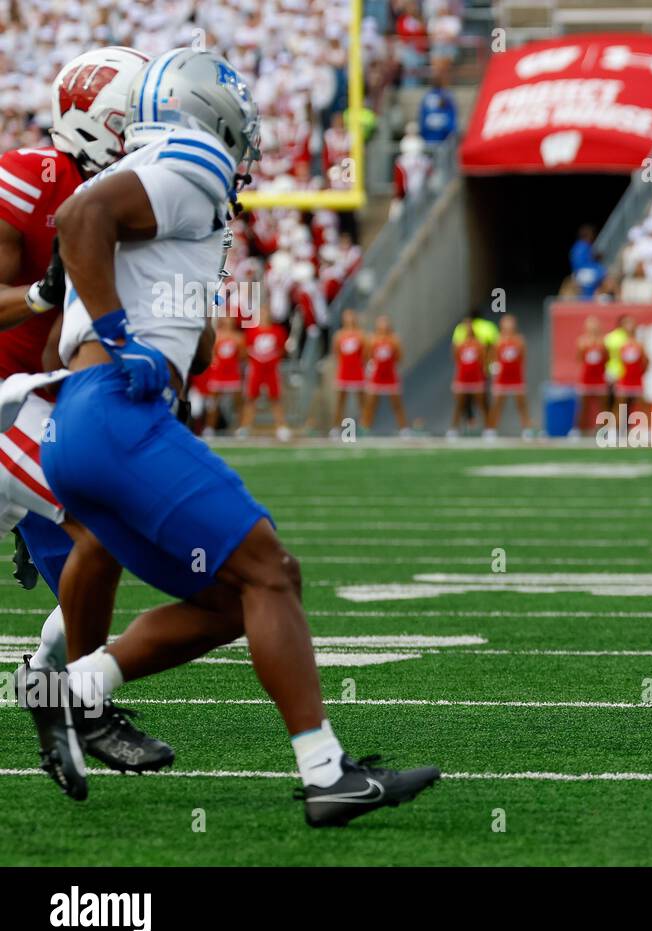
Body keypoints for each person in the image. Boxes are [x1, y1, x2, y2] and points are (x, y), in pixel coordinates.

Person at [22, 47, 440, 823]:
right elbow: (80, 218)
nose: (244, 137)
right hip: (117, 414)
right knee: (271, 572)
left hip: (75, 425)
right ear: (203, 108)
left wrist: (155, 324)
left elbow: (73, 345)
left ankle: (70, 688)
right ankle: (326, 775)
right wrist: (124, 337)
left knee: (228, 599)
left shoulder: (150, 192)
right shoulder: (191, 154)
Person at [0, 47, 169, 771]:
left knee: (104, 542)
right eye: (136, 119)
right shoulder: (29, 180)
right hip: (8, 409)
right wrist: (41, 294)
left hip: (47, 407)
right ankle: (76, 700)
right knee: (103, 532)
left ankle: (53, 684)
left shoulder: (126, 194)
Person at [238, 311, 291, 442]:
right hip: (256, 369)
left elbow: (282, 349)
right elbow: (246, 349)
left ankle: (281, 427)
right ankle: (245, 427)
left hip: (271, 369)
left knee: (275, 398)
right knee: (251, 398)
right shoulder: (251, 331)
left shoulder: (277, 331)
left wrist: (270, 358)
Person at [362, 315, 409, 435]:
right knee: (371, 404)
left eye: (385, 323)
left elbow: (399, 357)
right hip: (376, 376)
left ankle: (404, 429)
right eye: (380, 323)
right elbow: (367, 356)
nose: (383, 326)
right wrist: (370, 368)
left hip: (390, 376)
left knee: (397, 404)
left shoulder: (394, 340)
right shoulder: (372, 340)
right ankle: (365, 428)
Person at [487, 313, 530, 437]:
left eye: (510, 323)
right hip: (501, 378)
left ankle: (527, 428)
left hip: (516, 377)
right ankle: (491, 429)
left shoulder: (519, 340)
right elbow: (492, 358)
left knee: (521, 404)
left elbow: (523, 358)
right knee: (497, 404)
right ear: (502, 325)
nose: (509, 326)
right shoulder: (498, 340)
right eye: (506, 323)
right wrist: (494, 368)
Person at [203, 313, 244, 435]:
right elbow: (211, 354)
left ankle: (239, 427)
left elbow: (243, 356)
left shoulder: (238, 337)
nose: (227, 321)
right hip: (218, 374)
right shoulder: (216, 336)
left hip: (232, 374)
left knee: (238, 402)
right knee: (213, 403)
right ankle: (209, 428)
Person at [331, 308, 367, 434]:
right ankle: (336, 427)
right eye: (346, 316)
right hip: (344, 371)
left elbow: (365, 354)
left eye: (351, 316)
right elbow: (336, 353)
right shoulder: (339, 335)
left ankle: (364, 427)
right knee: (341, 400)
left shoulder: (360, 334)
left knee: (362, 400)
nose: (349, 319)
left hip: (357, 370)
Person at [449, 316, 487, 436]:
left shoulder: (479, 345)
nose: (468, 328)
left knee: (481, 404)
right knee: (459, 404)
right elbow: (457, 362)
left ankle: (489, 429)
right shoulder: (459, 345)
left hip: (476, 378)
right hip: (462, 378)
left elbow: (483, 360)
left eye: (470, 326)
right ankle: (454, 429)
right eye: (465, 326)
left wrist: (483, 375)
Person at [576, 315, 608, 434]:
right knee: (584, 406)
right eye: (590, 325)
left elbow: (606, 358)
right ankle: (580, 430)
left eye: (595, 325)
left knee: (602, 406)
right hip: (586, 378)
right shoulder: (582, 341)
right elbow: (579, 358)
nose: (593, 328)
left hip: (599, 378)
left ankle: (603, 430)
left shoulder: (603, 341)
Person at [614, 318, 648, 417]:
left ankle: (648, 429)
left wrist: (640, 372)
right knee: (620, 405)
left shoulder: (639, 344)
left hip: (636, 379)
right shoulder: (621, 344)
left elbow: (646, 361)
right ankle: (615, 429)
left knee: (643, 404)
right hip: (624, 379)